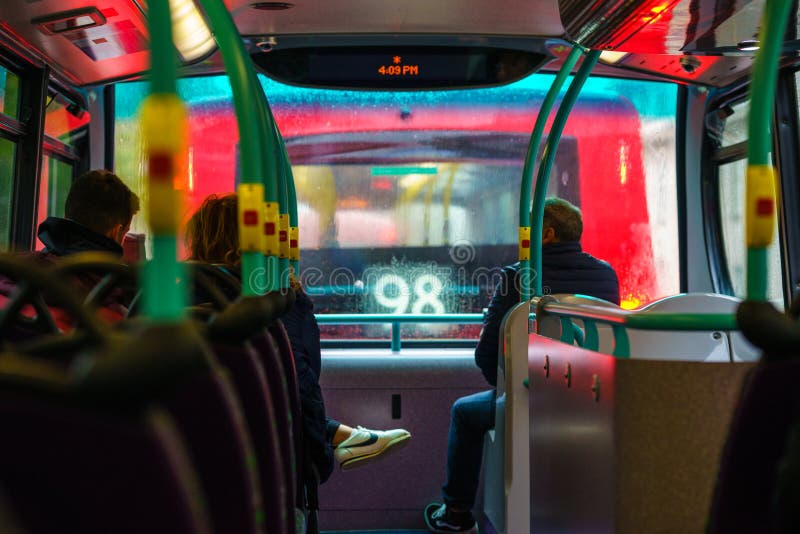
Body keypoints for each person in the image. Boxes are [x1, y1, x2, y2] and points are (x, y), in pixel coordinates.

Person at [185, 193, 411, 484]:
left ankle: (347, 435)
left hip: (189, 446)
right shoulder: (277, 303)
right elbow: (300, 385)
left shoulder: (177, 301)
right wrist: (318, 455)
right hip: (266, 450)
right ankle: (345, 436)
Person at [424, 197, 619, 533]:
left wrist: (508, 388)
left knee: (464, 412)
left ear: (547, 234)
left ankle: (456, 513)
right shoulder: (606, 275)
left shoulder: (520, 277)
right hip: (594, 399)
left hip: (532, 394)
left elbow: (487, 357)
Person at [0, 169, 140, 318]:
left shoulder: (14, 267)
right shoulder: (120, 294)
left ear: (66, 217)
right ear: (116, 231)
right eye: (125, 233)